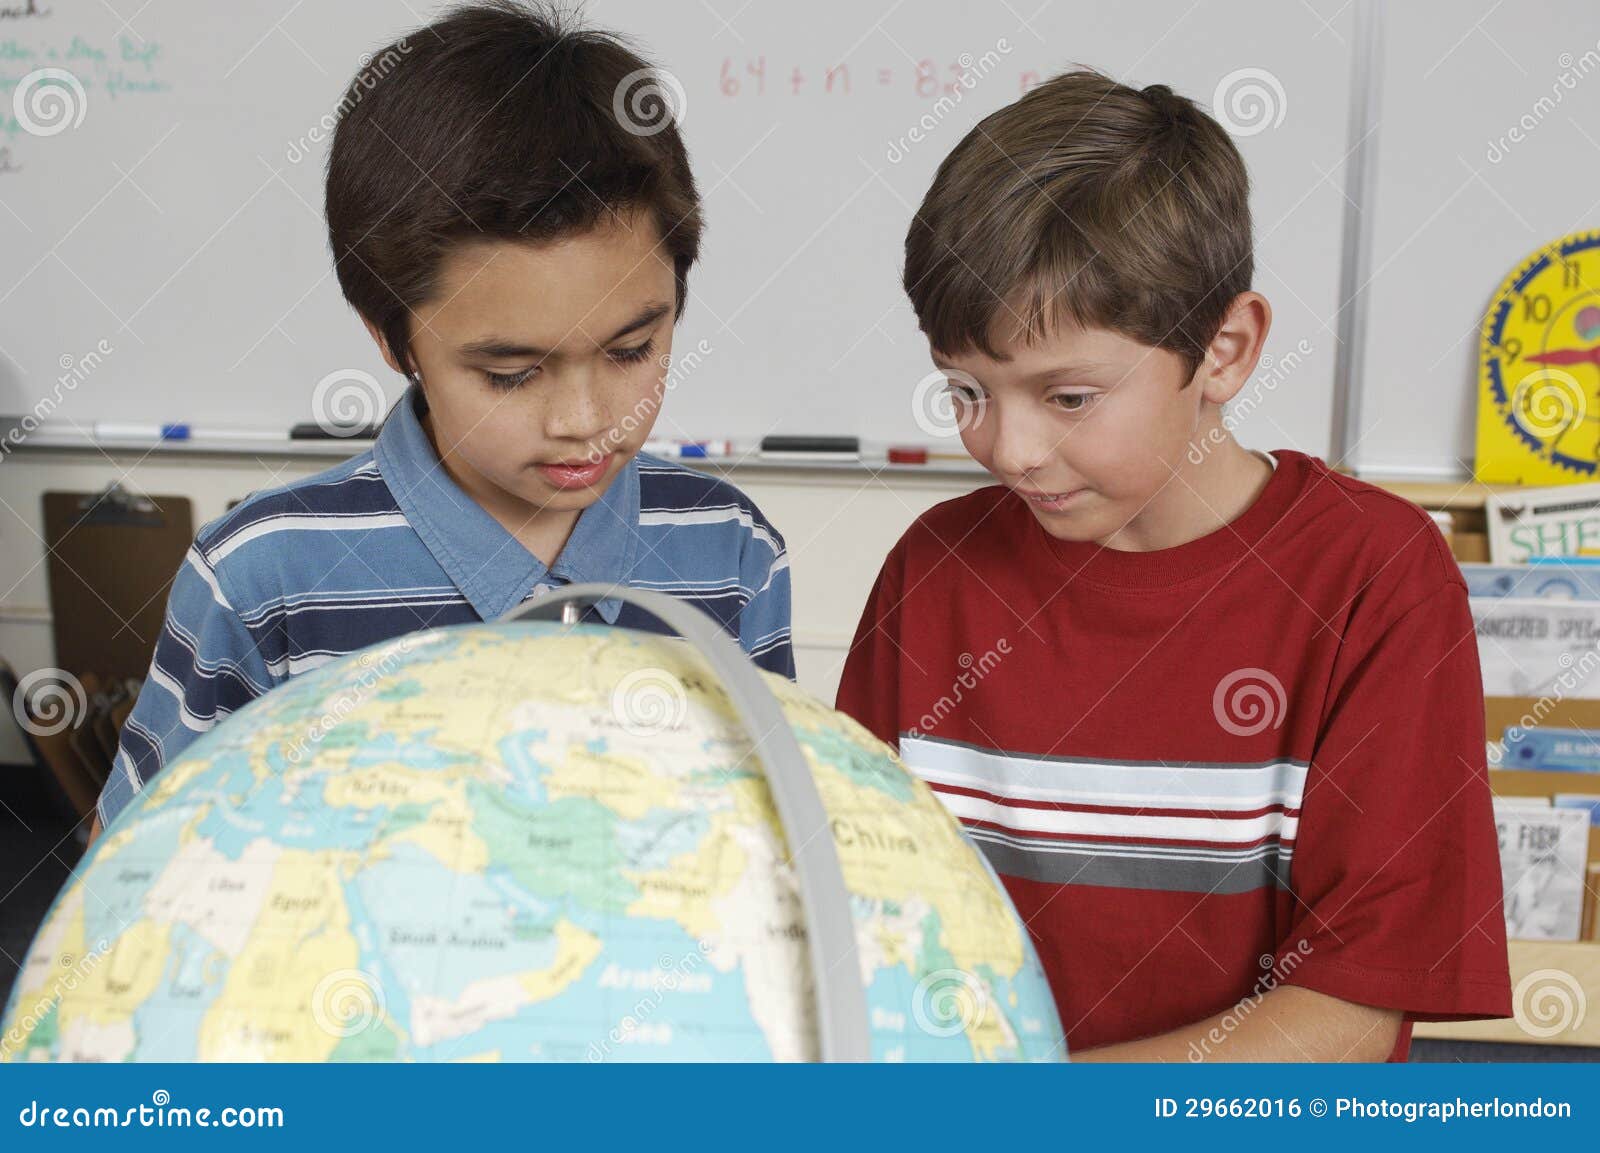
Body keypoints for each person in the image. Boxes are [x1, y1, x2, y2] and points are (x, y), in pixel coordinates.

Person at [835, 69, 1510, 1060]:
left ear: (1225, 351)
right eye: (967, 391)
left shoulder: (1375, 577)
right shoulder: (932, 570)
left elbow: (1350, 1006)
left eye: (1067, 398)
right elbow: (857, 909)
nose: (1009, 448)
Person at [95, 1, 791, 832]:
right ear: (395, 340)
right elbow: (136, 861)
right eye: (511, 373)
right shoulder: (264, 576)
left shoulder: (733, 551)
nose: (583, 419)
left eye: (632, 350)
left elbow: (770, 826)